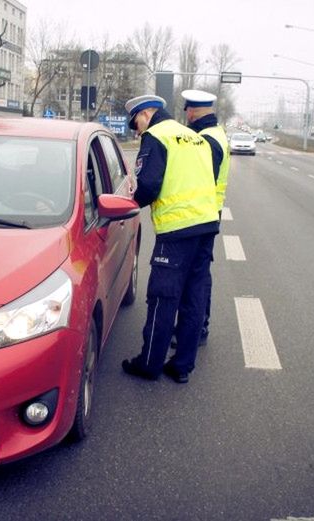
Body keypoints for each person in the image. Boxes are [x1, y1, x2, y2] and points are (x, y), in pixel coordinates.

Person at [120, 94, 221, 384]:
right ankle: (182, 366)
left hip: (177, 229)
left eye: (136, 122)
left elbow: (149, 184)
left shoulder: (156, 135)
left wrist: (128, 205)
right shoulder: (194, 137)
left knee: (163, 298)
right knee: (193, 297)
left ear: (147, 113)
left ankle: (149, 364)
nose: (137, 130)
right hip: (206, 225)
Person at [173, 89, 231, 347]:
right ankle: (197, 327)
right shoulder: (214, 134)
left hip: (200, 215)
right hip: (209, 212)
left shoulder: (207, 141)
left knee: (195, 277)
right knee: (199, 274)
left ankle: (194, 330)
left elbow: (200, 178)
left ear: (193, 111)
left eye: (187, 109)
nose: (186, 114)